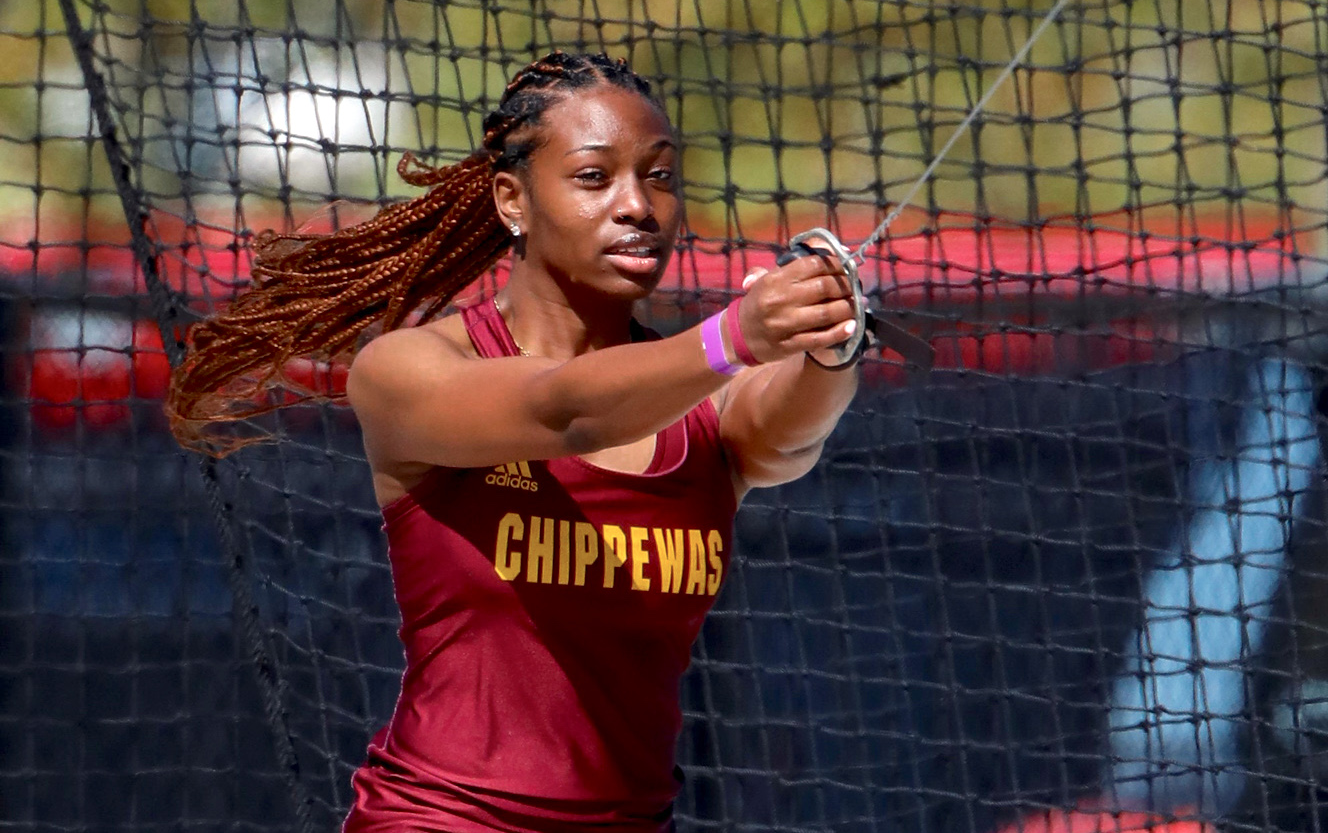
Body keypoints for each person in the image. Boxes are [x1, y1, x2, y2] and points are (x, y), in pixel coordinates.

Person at [167, 51, 863, 832]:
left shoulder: (704, 405)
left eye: (660, 177)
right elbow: (563, 412)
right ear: (513, 200)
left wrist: (833, 341)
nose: (638, 205)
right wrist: (735, 333)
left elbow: (792, 432)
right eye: (595, 178)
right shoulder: (409, 369)